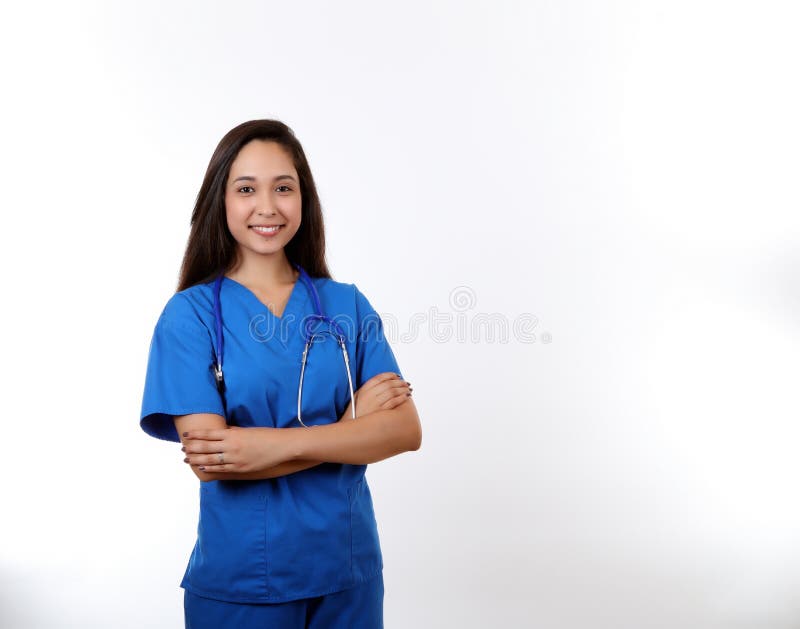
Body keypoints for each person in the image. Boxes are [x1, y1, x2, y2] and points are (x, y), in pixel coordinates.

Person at [139, 119, 422, 628]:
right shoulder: (190, 316)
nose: (267, 207)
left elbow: (404, 430)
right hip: (243, 582)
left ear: (304, 199)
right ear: (220, 200)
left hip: (349, 574)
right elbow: (212, 460)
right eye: (247, 189)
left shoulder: (346, 306)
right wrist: (350, 427)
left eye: (284, 188)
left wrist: (262, 446)